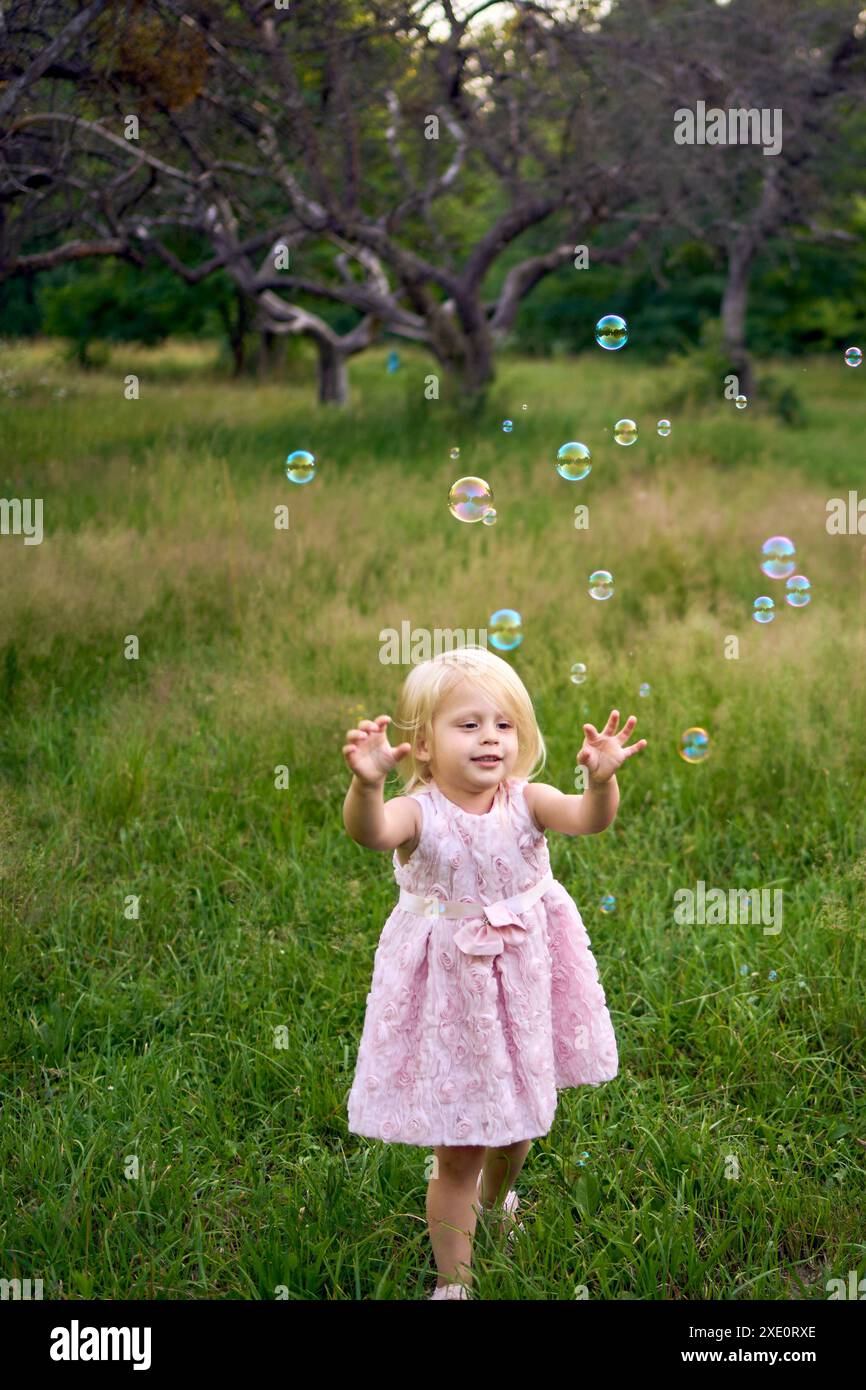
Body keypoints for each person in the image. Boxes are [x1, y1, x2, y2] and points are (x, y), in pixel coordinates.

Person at [341, 646, 647, 1300]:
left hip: (524, 983)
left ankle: (497, 1198)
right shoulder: (420, 813)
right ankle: (455, 1282)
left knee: (520, 1123)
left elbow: (591, 820)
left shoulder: (530, 800)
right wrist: (366, 786)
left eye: (504, 725)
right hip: (451, 995)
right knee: (459, 1146)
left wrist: (601, 782)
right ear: (422, 745)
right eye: (469, 724)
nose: (491, 738)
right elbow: (372, 832)